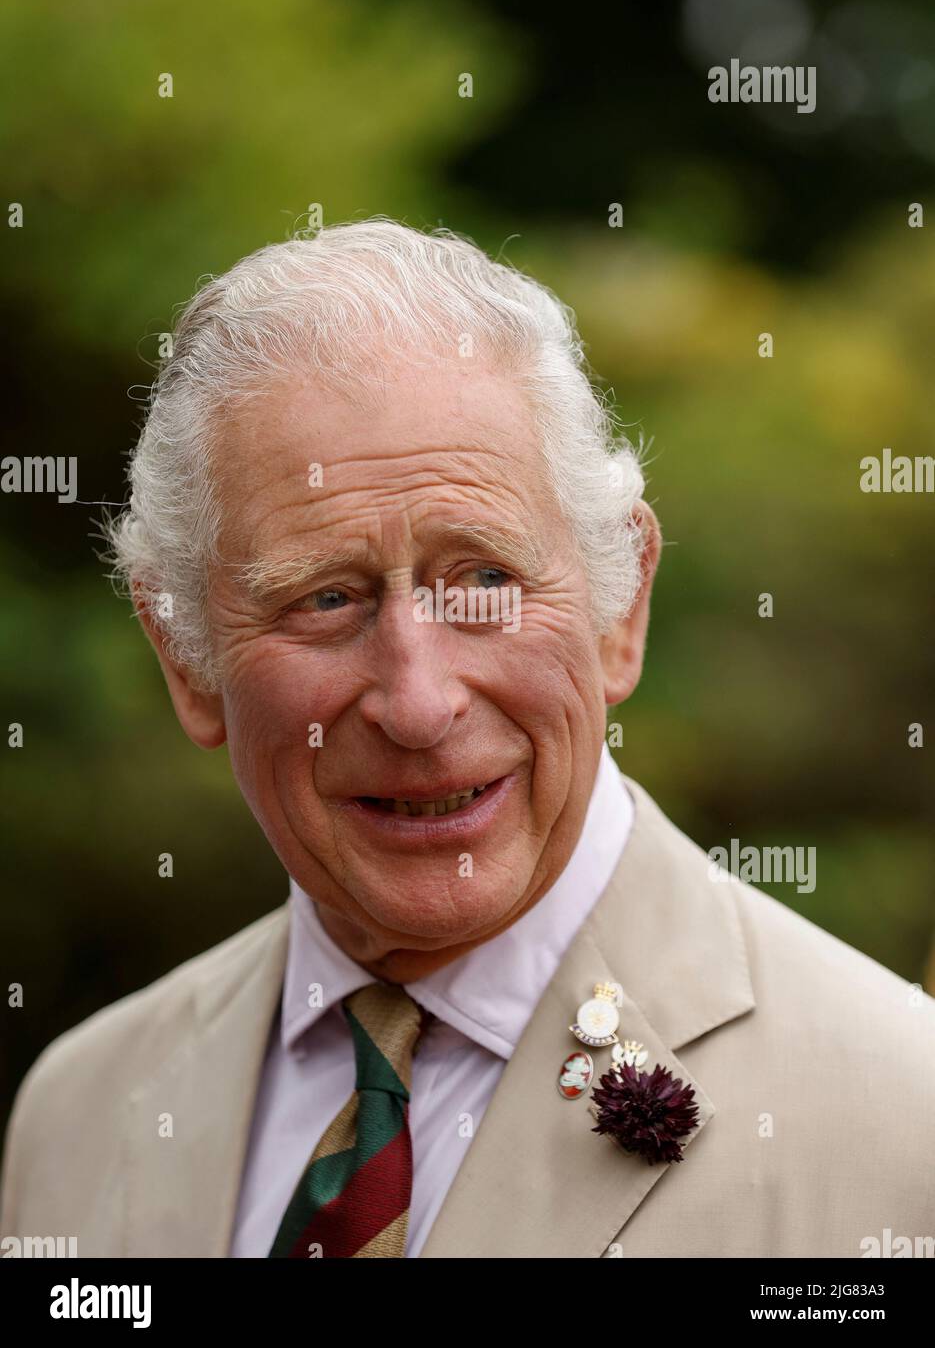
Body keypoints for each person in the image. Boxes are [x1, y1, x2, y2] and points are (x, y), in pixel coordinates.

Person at [2, 219, 933, 1259]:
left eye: (484, 580)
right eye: (324, 596)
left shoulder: (901, 1119)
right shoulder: (76, 1117)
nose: (418, 700)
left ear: (618, 610)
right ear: (184, 659)